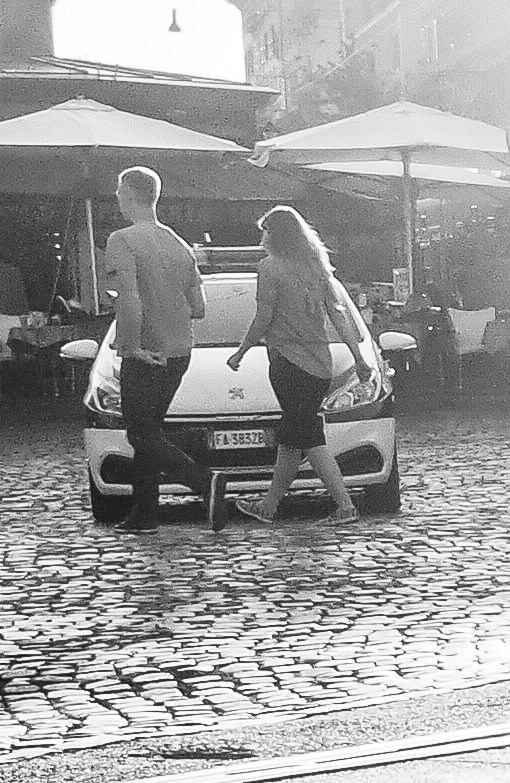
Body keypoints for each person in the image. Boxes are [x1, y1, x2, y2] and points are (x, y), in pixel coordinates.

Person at [235, 204, 383, 520]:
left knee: (308, 437)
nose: (262, 238)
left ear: (275, 236)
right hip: (319, 364)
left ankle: (344, 506)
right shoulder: (317, 268)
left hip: (288, 362)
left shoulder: (269, 268)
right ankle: (268, 507)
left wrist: (242, 350)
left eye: (265, 232)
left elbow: (264, 316)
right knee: (292, 438)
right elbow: (339, 316)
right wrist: (358, 358)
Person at [102, 165, 212, 529]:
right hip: (180, 349)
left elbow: (129, 300)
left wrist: (130, 347)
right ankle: (144, 513)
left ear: (129, 194)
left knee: (140, 432)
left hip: (148, 349)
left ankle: (205, 483)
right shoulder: (179, 244)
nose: (116, 198)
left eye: (119, 192)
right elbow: (199, 307)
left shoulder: (122, 240)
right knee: (150, 432)